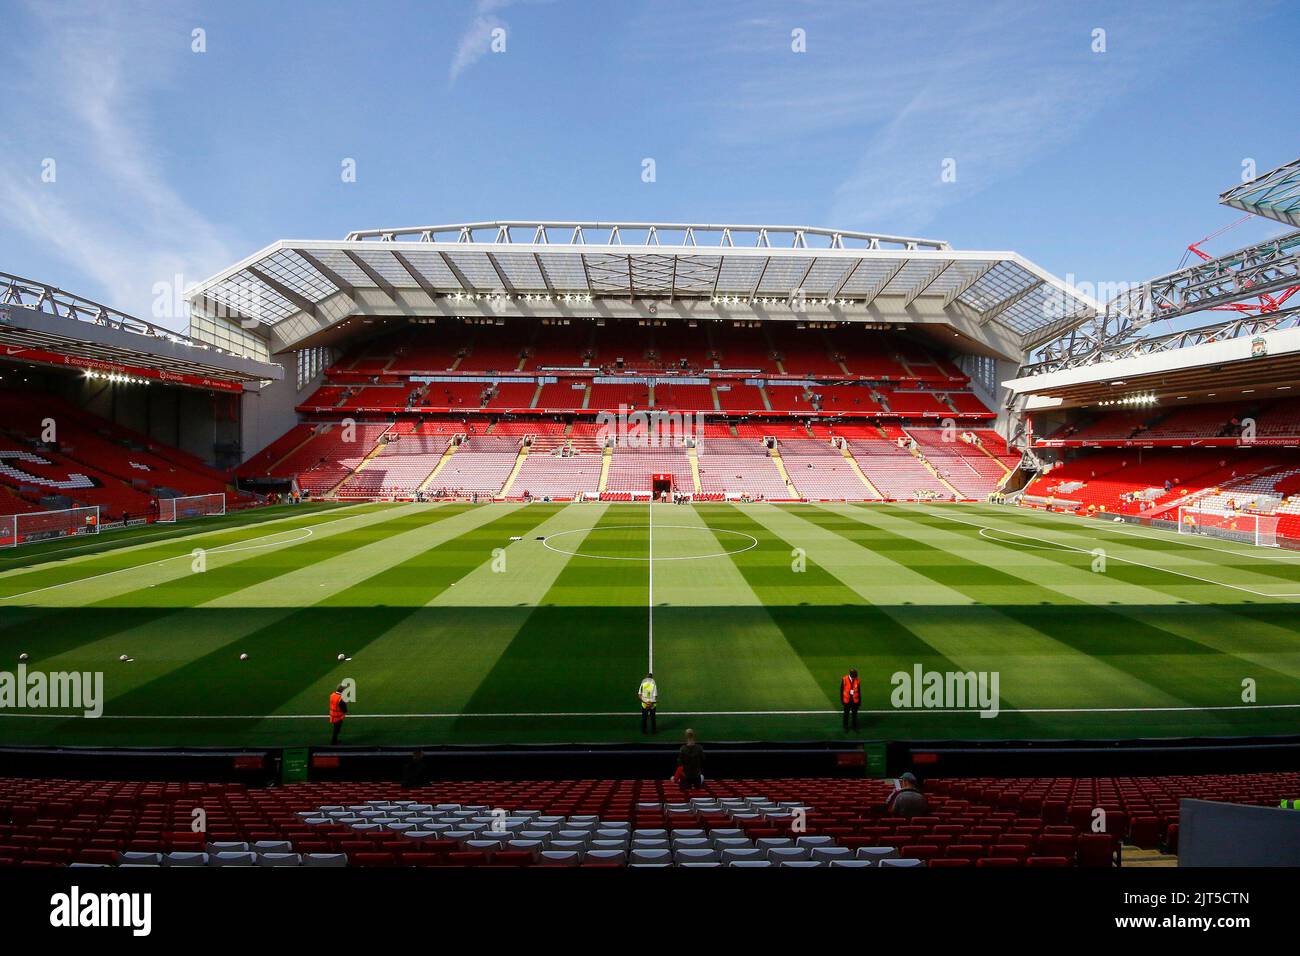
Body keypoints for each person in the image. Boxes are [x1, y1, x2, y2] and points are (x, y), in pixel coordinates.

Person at [840, 667, 861, 731]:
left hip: (855, 701)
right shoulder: (844, 679)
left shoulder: (857, 680)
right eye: (854, 676)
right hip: (847, 701)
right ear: (851, 675)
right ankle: (845, 727)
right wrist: (842, 700)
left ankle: (854, 727)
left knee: (854, 715)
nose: (855, 677)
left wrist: (859, 701)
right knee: (846, 715)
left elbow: (859, 691)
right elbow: (841, 690)